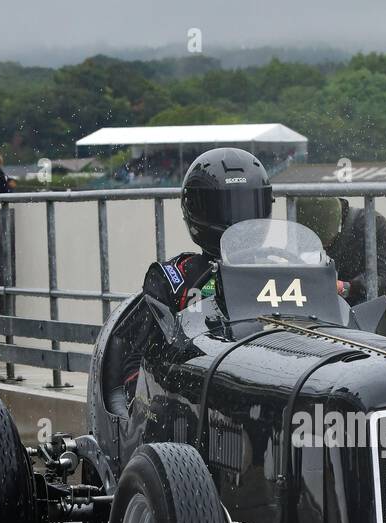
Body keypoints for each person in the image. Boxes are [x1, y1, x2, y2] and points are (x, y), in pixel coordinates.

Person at [89, 147, 272, 448]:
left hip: (260, 386)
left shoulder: (283, 270)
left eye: (248, 206)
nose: (239, 219)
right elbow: (134, 361)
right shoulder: (174, 278)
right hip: (189, 409)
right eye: (229, 208)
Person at [295, 196, 386, 318]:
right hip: (339, 305)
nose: (325, 249)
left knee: (369, 318)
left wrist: (347, 286)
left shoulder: (370, 224)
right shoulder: (300, 232)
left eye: (327, 244)